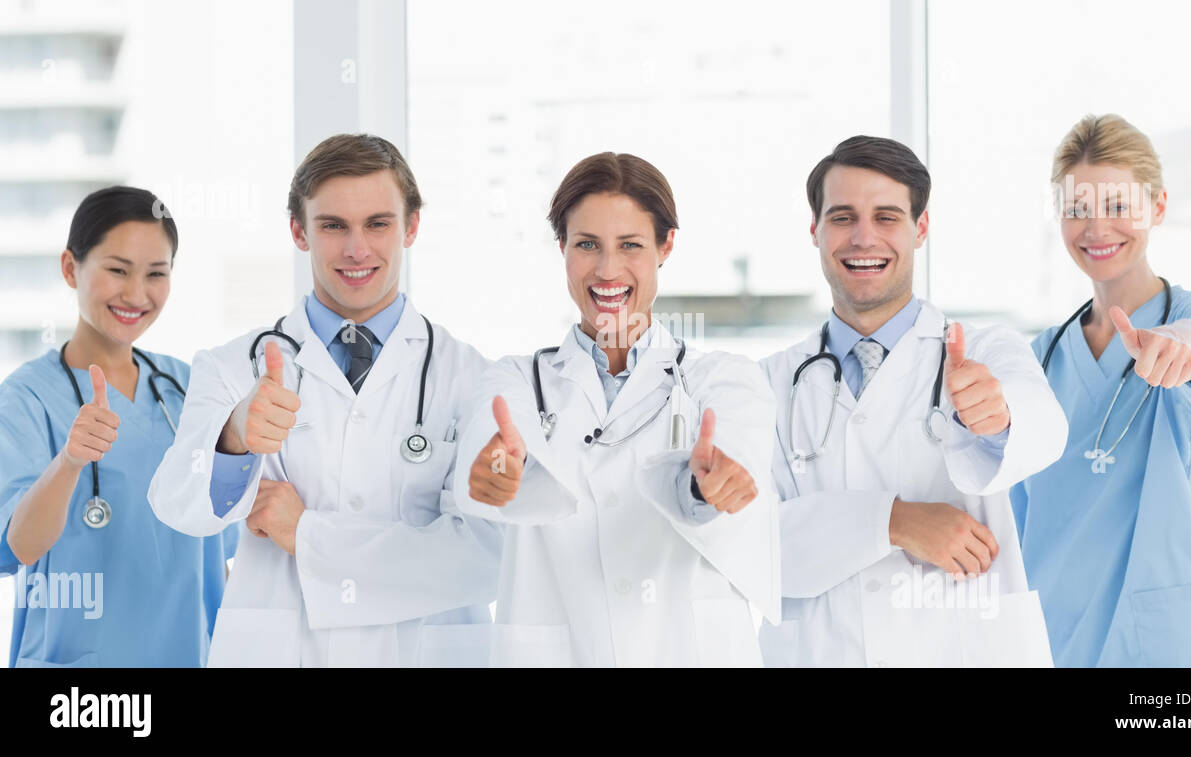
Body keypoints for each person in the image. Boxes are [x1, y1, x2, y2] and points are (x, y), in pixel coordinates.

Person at [148, 134, 502, 667]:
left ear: (411, 226)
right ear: (299, 231)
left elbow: (483, 557)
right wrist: (233, 438)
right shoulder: (231, 368)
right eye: (333, 225)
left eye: (377, 223)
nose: (357, 249)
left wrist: (307, 536)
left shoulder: (472, 378)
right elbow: (180, 507)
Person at [453, 152, 779, 667]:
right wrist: (498, 471)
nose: (608, 270)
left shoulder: (723, 378)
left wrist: (708, 485)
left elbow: (739, 454)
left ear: (665, 246)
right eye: (587, 245)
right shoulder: (516, 379)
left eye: (630, 245)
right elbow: (491, 449)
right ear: (561, 247)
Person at [758, 136, 1068, 667]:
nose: (863, 237)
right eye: (842, 217)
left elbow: (1045, 430)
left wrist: (1000, 416)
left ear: (919, 229)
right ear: (814, 231)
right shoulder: (768, 384)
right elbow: (756, 546)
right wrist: (891, 522)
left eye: (886, 216)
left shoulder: (988, 349)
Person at [1010, 114, 1191, 667]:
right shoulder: (1039, 358)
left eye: (1118, 206)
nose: (1097, 228)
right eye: (1077, 209)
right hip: (1055, 636)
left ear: (1157, 208)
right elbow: (1012, 510)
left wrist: (1180, 345)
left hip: (1172, 651)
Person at [0, 186, 236, 667]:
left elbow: (217, 549)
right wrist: (69, 463)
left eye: (156, 274)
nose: (136, 294)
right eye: (117, 270)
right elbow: (20, 544)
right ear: (71, 268)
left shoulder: (188, 388)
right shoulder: (25, 398)